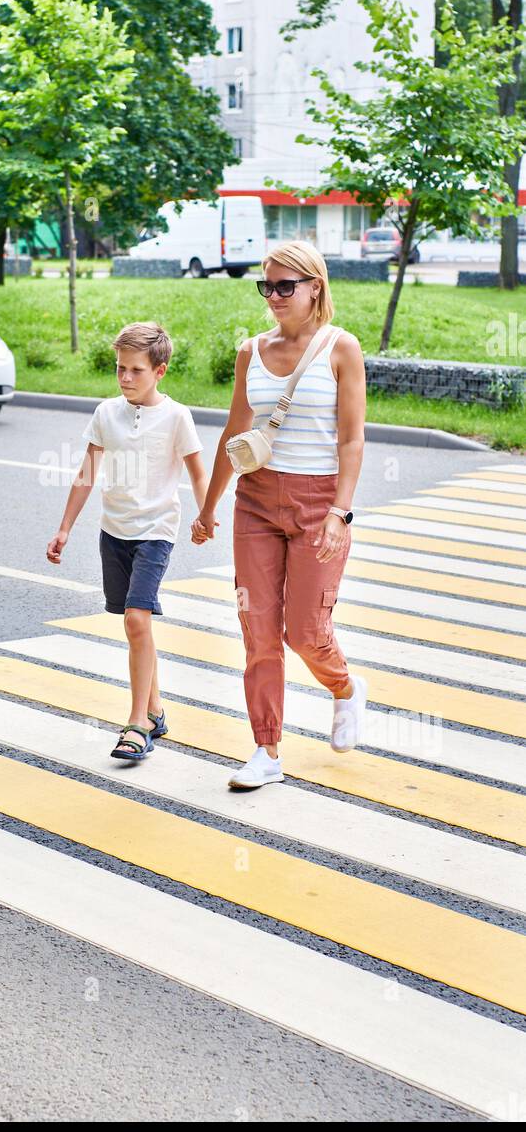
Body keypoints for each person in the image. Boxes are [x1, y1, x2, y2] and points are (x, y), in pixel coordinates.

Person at [192, 240, 367, 790]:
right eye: (266, 286)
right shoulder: (251, 351)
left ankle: (344, 687)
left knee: (306, 631)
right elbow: (235, 432)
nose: (274, 296)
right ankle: (266, 749)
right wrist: (209, 506)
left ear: (316, 286)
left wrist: (341, 510)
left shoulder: (342, 348)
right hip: (257, 502)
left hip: (320, 506)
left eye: (285, 286)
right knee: (258, 628)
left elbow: (352, 438)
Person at [46, 321, 210, 760]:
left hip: (156, 532)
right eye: (120, 368)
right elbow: (87, 472)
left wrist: (206, 513)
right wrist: (65, 528)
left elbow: (197, 470)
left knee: (137, 620)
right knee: (135, 625)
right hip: (113, 532)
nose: (125, 378)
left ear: (160, 371)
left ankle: (138, 724)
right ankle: (155, 708)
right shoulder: (106, 413)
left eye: (136, 370)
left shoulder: (176, 416)